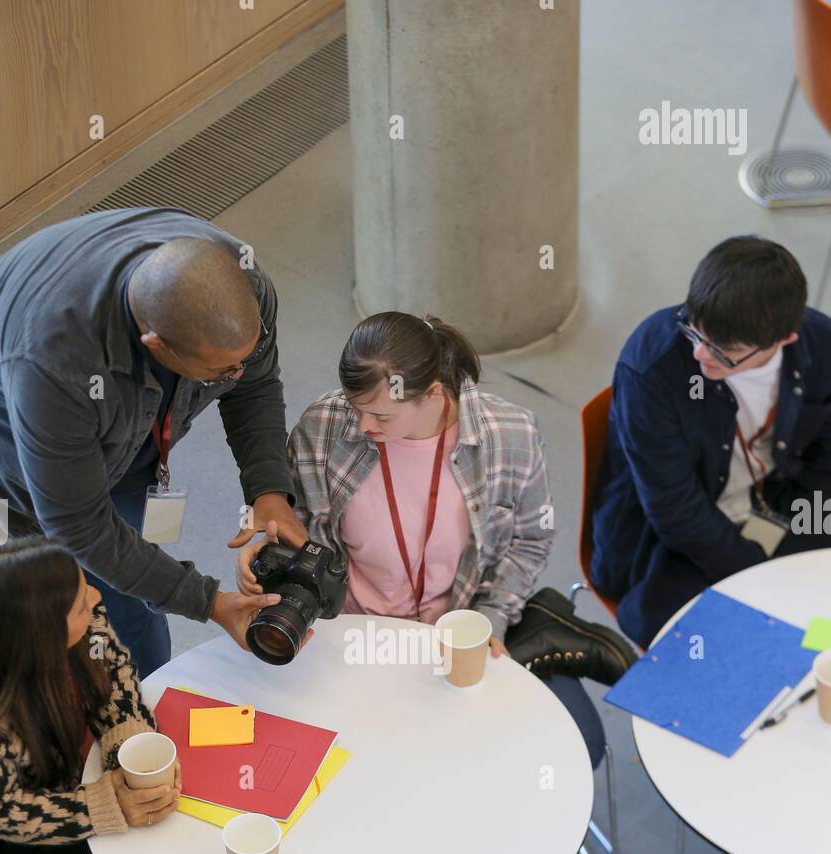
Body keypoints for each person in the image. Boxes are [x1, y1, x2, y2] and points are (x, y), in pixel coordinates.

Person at [256, 310, 626, 762]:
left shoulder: (511, 437)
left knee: (571, 747)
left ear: (433, 394)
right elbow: (286, 521)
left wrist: (492, 615)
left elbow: (531, 539)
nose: (362, 427)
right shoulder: (323, 428)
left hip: (457, 634)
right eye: (355, 408)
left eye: (380, 415)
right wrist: (262, 547)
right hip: (350, 634)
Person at [0, 206, 306, 678]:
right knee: (52, 610)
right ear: (156, 345)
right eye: (220, 371)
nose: (236, 374)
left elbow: (254, 382)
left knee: (133, 601)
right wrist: (209, 602)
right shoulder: (52, 364)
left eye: (241, 358)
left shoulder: (241, 286)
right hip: (0, 430)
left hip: (116, 411)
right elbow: (79, 526)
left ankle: (147, 704)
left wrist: (268, 491)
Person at [591, 235, 831, 651]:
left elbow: (824, 462)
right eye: (695, 332)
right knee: (709, 647)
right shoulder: (654, 366)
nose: (702, 355)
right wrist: (758, 575)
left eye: (726, 352)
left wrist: (797, 532)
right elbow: (673, 507)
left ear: (784, 341)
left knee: (813, 628)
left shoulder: (821, 346)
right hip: (681, 538)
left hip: (780, 502)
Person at [0, 537, 187, 854]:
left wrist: (128, 740)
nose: (97, 598)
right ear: (40, 632)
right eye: (81, 603)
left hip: (63, 777)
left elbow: (115, 674)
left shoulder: (77, 615)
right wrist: (105, 806)